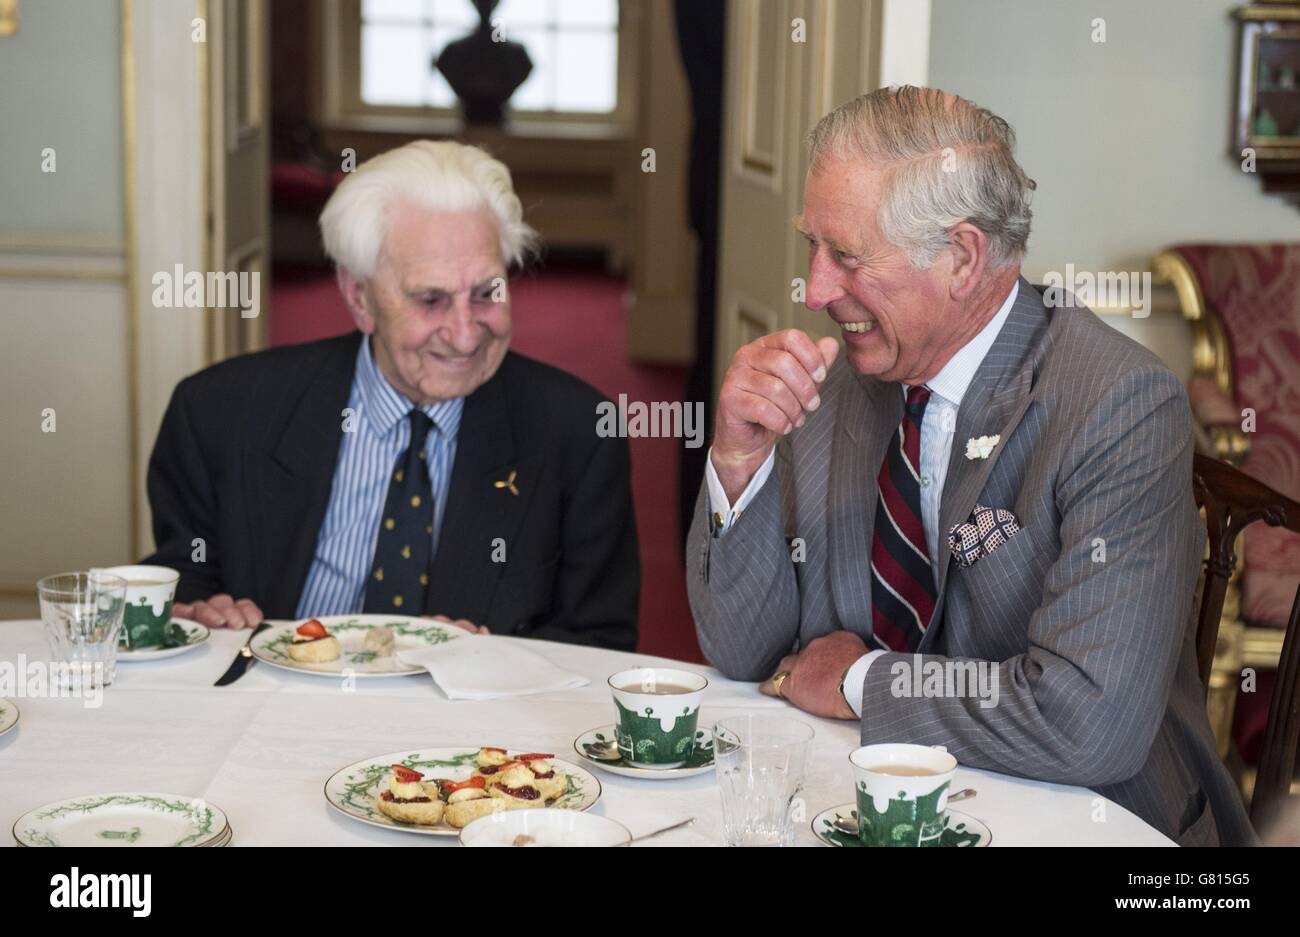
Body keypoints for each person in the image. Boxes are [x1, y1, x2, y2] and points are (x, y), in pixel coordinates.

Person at [687, 86, 1253, 845]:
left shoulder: (1120, 406)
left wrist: (861, 681)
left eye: (847, 255)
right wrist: (739, 458)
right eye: (812, 246)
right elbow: (746, 652)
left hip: (1093, 819)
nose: (816, 289)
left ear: (960, 256)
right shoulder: (836, 383)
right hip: (877, 810)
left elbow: (1086, 723)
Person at [143, 141, 639, 650]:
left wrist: (498, 658)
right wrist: (201, 609)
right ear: (360, 298)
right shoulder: (219, 413)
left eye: (487, 293)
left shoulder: (579, 434)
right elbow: (184, 577)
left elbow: (597, 644)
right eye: (431, 300)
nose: (466, 335)